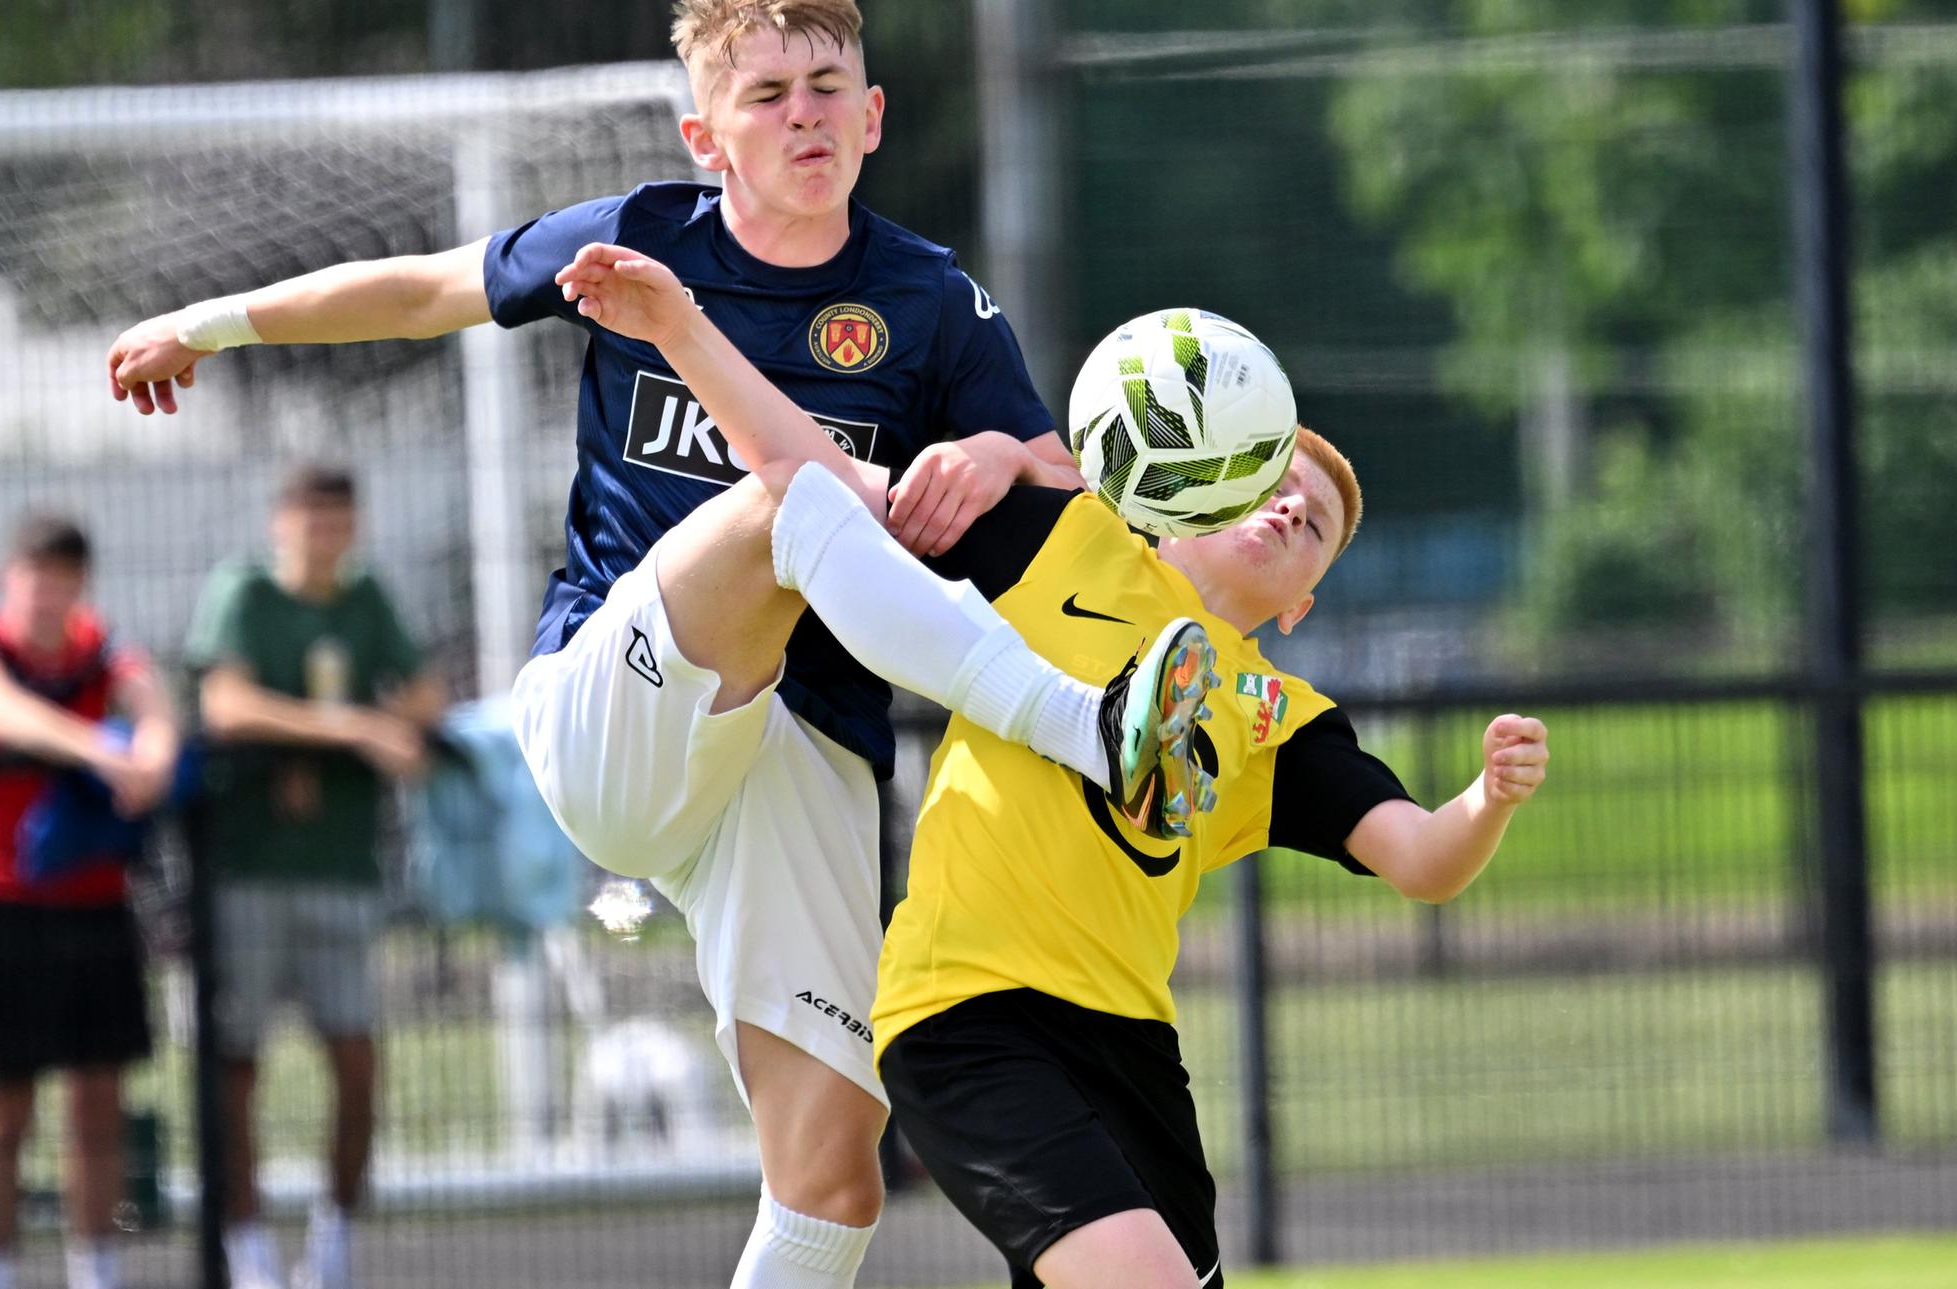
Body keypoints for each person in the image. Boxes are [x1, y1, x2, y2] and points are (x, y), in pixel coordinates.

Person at [108, 0, 1102, 1289]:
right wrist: (208, 322)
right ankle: (1072, 724)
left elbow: (1067, 486)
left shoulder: (929, 300)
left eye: (829, 88)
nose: (804, 115)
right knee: (780, 504)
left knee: (833, 1173)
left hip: (799, 748)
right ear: (707, 136)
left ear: (873, 115)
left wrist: (995, 455)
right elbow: (422, 291)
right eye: (767, 95)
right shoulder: (642, 237)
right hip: (611, 709)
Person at [551, 243, 1552, 1289]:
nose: (1296, 506)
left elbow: (1423, 859)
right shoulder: (1057, 541)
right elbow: (816, 481)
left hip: (1131, 1054)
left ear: (1299, 607)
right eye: (1275, 478)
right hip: (969, 1012)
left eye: (1320, 526)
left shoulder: (1279, 718)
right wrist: (679, 330)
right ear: (1189, 485)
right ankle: (1088, 719)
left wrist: (1486, 795)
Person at [183, 466, 443, 1289]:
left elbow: (429, 697)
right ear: (279, 522)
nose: (323, 537)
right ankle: (246, 1245)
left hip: (344, 867)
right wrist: (348, 730)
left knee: (359, 1060)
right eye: (309, 520)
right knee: (234, 1062)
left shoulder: (369, 597)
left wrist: (365, 731)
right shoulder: (242, 591)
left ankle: (331, 1243)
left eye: (338, 522)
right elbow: (225, 704)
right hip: (246, 869)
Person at [0, 516, 181, 1289]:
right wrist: (101, 748)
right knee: (5, 1108)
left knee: (97, 1104)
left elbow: (155, 706)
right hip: (3, 905)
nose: (48, 593)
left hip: (96, 906)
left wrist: (153, 749)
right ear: (5, 578)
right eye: (35, 575)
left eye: (64, 577)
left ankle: (97, 1272)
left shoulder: (102, 646)